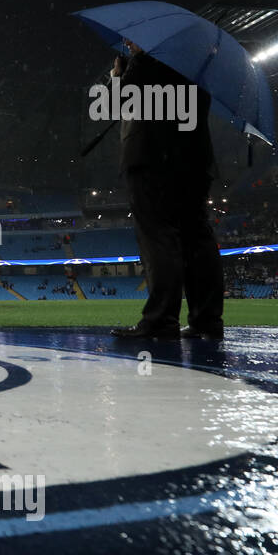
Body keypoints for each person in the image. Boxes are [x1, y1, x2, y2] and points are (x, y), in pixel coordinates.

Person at [110, 41, 225, 339]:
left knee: (158, 235)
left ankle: (161, 321)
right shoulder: (196, 62)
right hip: (195, 158)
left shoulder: (146, 63)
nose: (128, 43)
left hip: (151, 158)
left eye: (132, 39)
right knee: (197, 237)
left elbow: (118, 106)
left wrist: (120, 76)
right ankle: (207, 320)